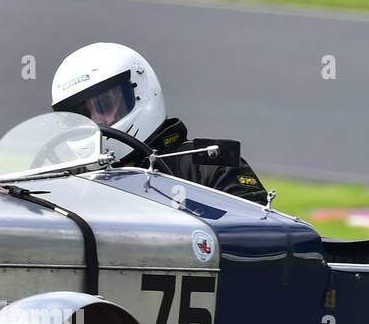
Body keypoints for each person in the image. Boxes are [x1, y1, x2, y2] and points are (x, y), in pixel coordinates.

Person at [49, 42, 269, 204]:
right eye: (80, 115)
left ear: (140, 90)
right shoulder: (71, 183)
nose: (96, 121)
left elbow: (257, 240)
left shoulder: (209, 163)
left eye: (105, 104)